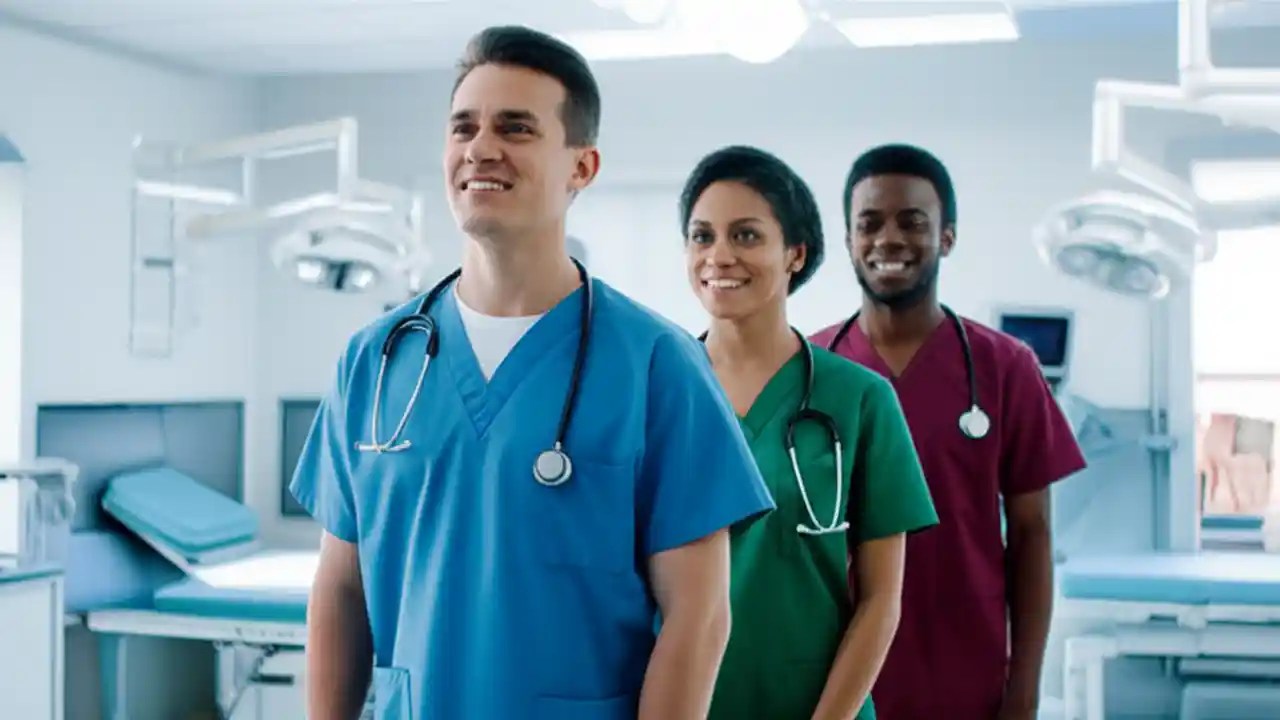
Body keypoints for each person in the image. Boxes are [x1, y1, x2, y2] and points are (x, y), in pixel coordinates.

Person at [289, 26, 775, 720]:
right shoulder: (375, 360)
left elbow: (699, 615)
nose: (481, 147)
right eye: (464, 128)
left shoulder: (657, 364)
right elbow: (340, 588)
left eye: (515, 129)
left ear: (582, 167)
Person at [811, 143, 1088, 720]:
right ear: (848, 241)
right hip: (835, 680)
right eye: (870, 223)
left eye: (913, 221)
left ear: (947, 237)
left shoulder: (1005, 367)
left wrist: (1025, 689)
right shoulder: (810, 369)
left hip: (968, 678)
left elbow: (1032, 535)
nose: (888, 238)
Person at [680, 145, 939, 720]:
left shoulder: (859, 399)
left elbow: (880, 600)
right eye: (702, 236)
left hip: (820, 706)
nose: (719, 255)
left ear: (795, 253)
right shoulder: (657, 393)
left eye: (746, 235)